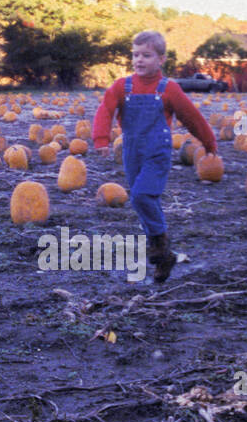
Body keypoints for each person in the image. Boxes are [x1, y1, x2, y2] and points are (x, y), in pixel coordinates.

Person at [92, 31, 217, 282]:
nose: (139, 60)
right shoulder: (122, 86)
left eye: (146, 55)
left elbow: (192, 117)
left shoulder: (169, 89)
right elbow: (105, 110)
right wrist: (101, 139)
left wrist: (209, 141)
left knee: (140, 195)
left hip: (157, 151)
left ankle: (159, 246)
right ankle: (162, 252)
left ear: (161, 59)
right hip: (131, 151)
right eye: (135, 55)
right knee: (144, 199)